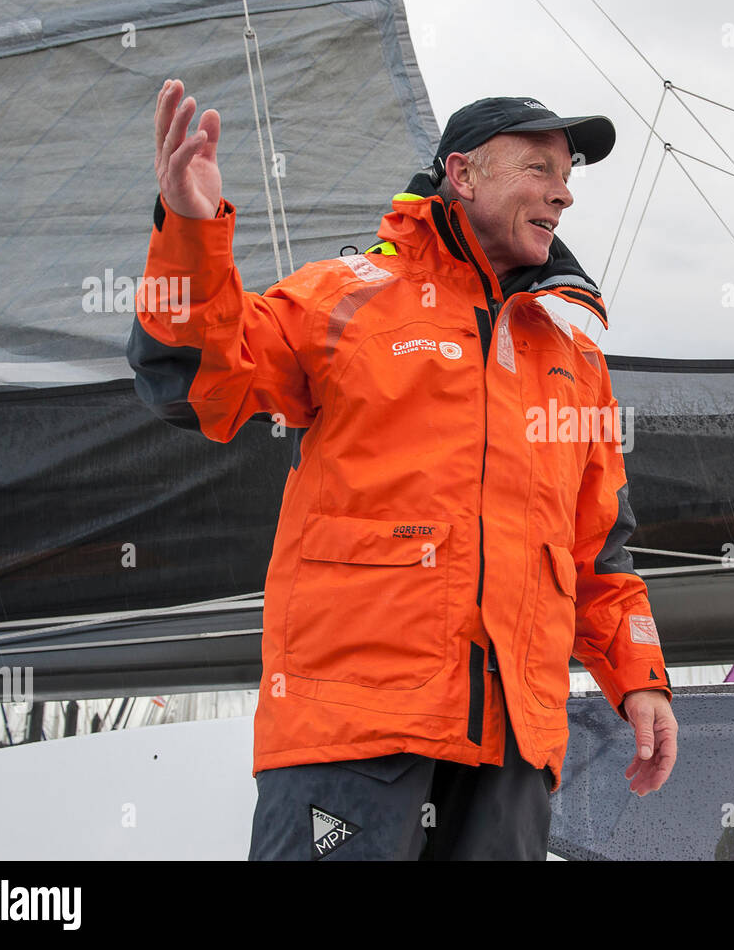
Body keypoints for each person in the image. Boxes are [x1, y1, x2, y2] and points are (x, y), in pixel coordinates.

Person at [128, 80, 677, 860]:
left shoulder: (576, 356)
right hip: (352, 728)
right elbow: (190, 381)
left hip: (514, 748)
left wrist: (641, 678)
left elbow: (601, 550)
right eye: (539, 169)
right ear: (463, 174)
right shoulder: (344, 300)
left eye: (568, 178)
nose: (562, 194)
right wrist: (189, 227)